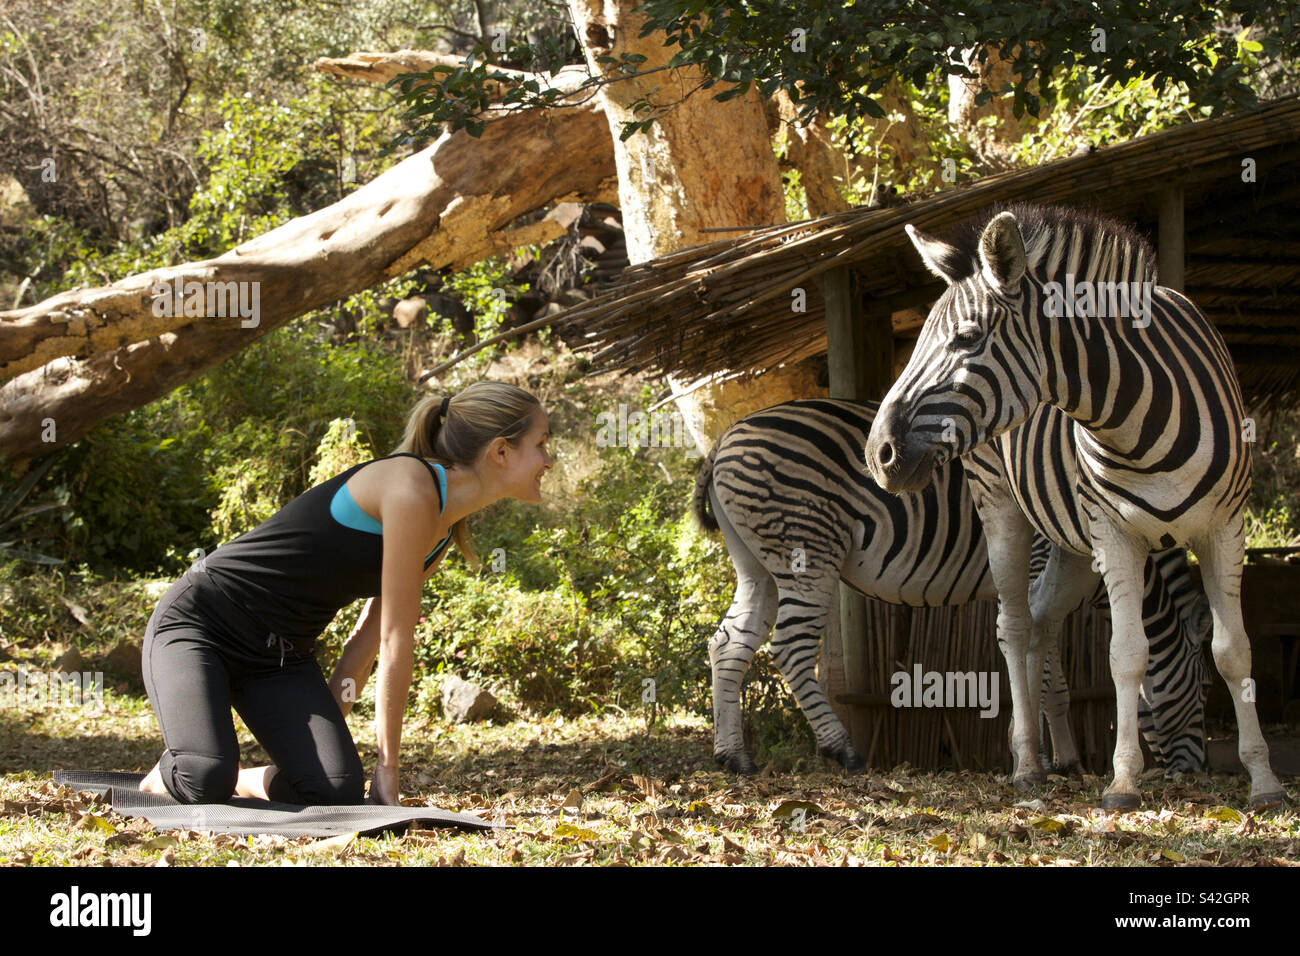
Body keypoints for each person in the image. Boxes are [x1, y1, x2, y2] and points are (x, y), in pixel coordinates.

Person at [138, 381, 553, 806]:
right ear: (501, 451)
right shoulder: (409, 487)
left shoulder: (441, 533)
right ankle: (178, 769)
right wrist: (387, 769)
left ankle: (239, 779)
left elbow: (370, 638)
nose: (549, 461)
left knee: (333, 788)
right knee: (204, 777)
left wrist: (317, 750)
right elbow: (397, 640)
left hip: (278, 660)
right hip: (201, 622)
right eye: (541, 444)